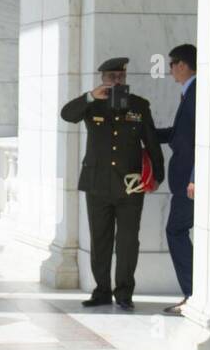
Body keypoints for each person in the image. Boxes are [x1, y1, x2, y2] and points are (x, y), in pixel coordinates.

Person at [60, 57, 164, 311]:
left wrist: (156, 177)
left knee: (128, 242)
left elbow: (151, 142)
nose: (117, 80)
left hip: (130, 186)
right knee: (100, 240)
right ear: (103, 78)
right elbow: (66, 115)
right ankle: (102, 291)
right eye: (112, 76)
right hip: (97, 185)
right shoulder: (92, 105)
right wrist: (89, 97)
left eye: (121, 76)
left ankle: (124, 293)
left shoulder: (138, 105)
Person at [156, 44, 196, 314]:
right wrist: (145, 132)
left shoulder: (196, 92)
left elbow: (201, 139)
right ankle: (192, 292)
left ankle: (192, 293)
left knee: (175, 230)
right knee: (178, 230)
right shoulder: (189, 92)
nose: (170, 70)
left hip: (189, 182)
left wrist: (195, 177)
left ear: (182, 65)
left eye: (171, 65)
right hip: (184, 181)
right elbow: (180, 134)